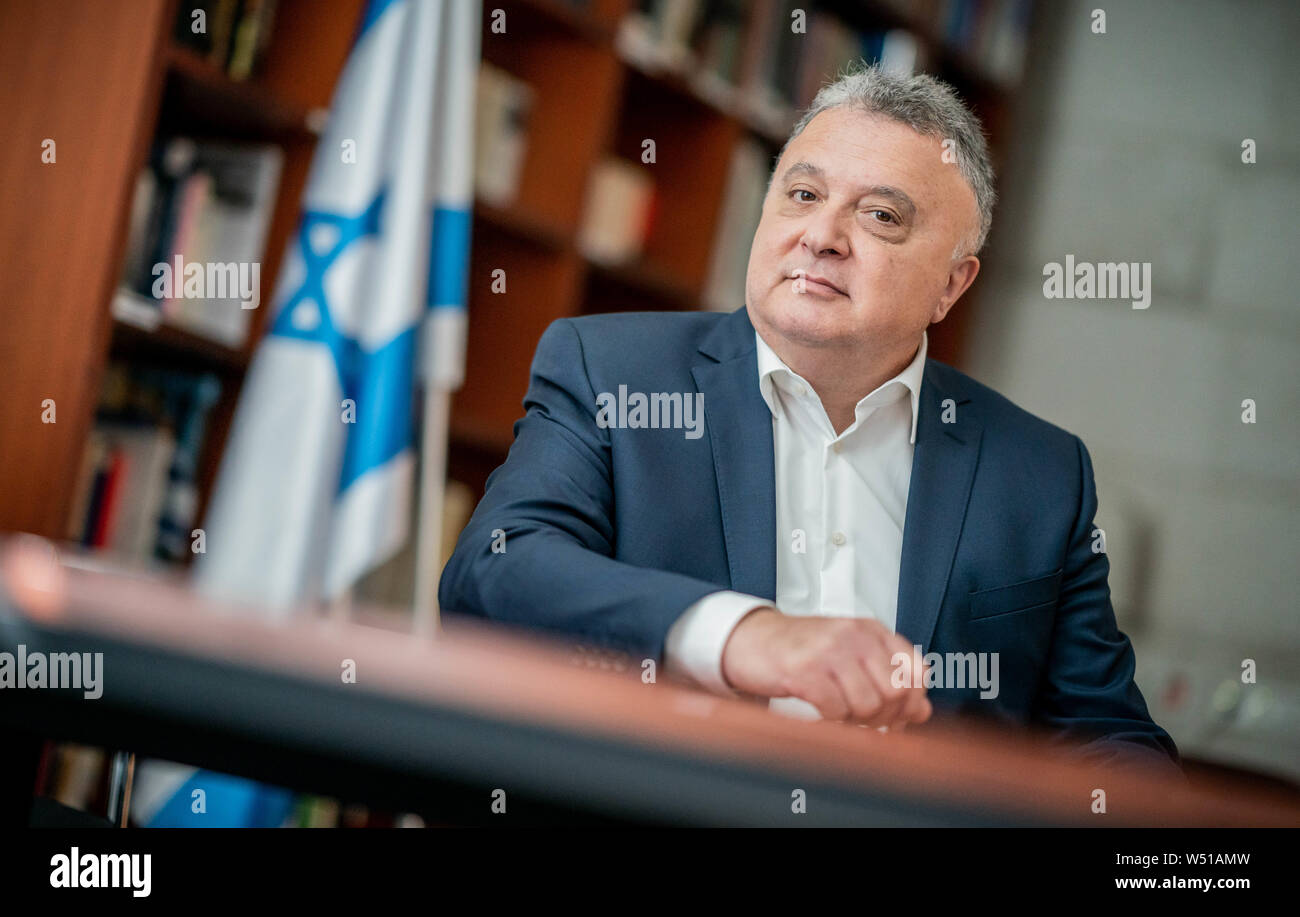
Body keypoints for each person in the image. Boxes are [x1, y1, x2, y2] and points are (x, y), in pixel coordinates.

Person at [439, 63, 1179, 774]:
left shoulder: (1039, 471)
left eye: (881, 215)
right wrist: (746, 635)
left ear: (951, 285)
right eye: (801, 194)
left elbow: (1109, 740)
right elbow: (494, 569)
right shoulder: (612, 371)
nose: (821, 235)